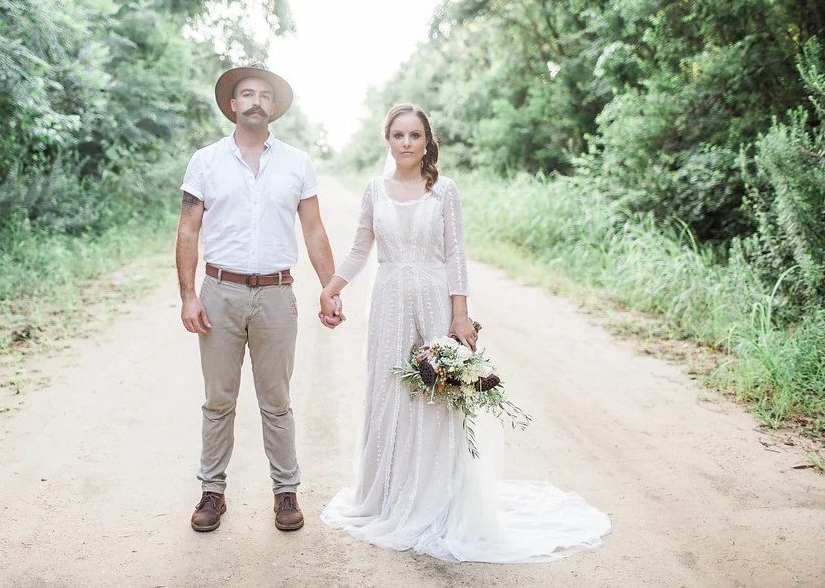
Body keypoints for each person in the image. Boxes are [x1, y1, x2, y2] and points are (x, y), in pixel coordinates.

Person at [318, 103, 611, 562]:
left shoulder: (444, 191)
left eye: (415, 135)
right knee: (390, 390)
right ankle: (390, 496)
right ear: (388, 140)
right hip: (390, 298)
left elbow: (456, 255)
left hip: (435, 295)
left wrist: (460, 315)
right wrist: (331, 288)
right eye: (399, 135)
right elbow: (359, 248)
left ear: (427, 141)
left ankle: (439, 497)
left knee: (438, 393)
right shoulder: (375, 190)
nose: (407, 143)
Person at [176, 64, 343, 534]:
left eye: (263, 95)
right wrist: (189, 295)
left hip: (275, 295)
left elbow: (313, 229)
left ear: (274, 107)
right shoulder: (205, 161)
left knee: (276, 401)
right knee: (218, 400)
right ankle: (212, 491)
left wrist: (330, 288)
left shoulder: (297, 162)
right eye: (245, 94)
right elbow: (188, 228)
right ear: (232, 104)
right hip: (220, 292)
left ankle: (285, 492)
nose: (254, 101)